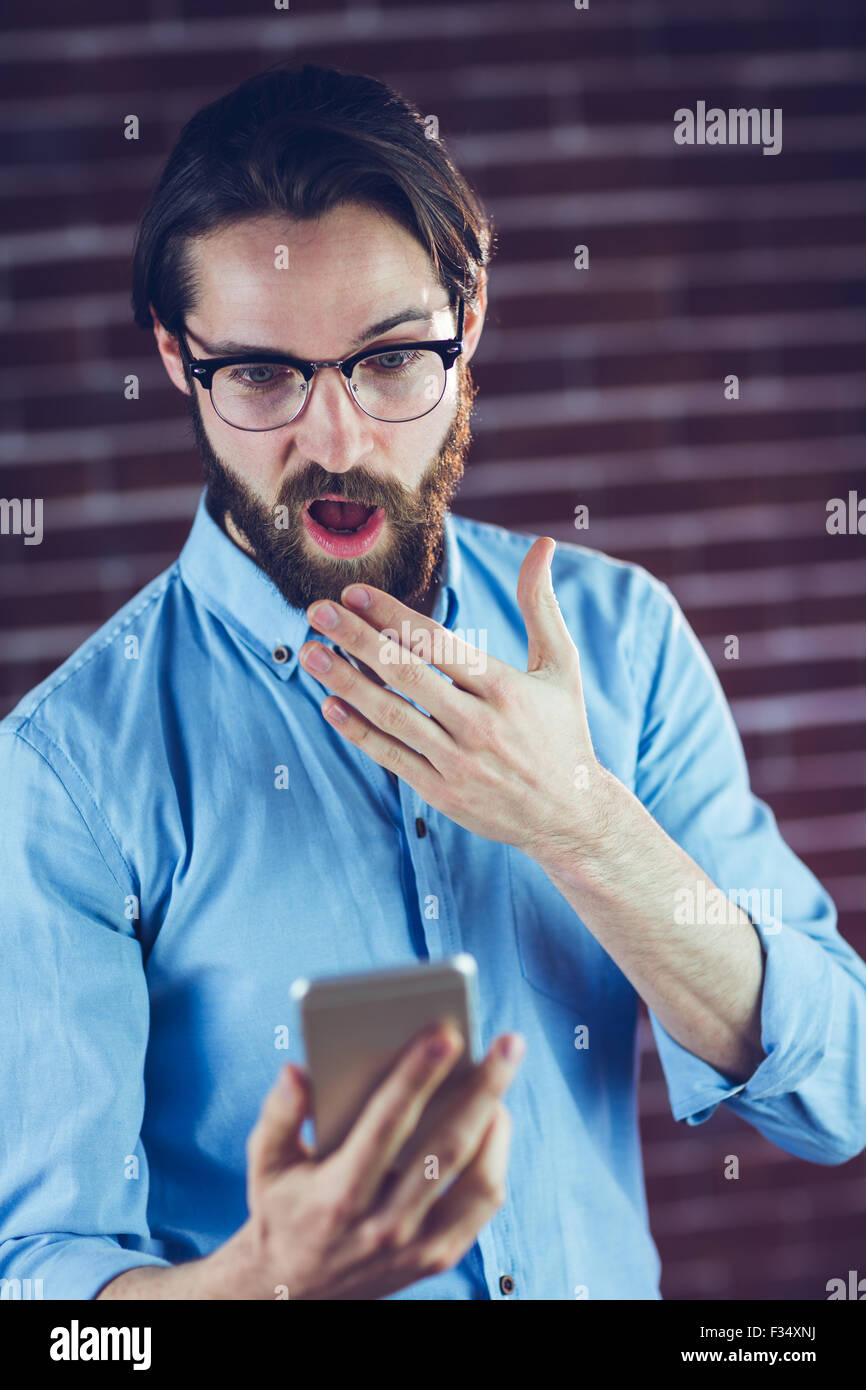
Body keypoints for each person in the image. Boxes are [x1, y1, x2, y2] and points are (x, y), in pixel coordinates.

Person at [1, 61, 864, 1303]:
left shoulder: (619, 638)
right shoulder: (67, 774)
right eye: (259, 376)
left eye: (392, 358)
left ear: (471, 320)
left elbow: (831, 1098)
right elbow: (49, 1304)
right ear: (176, 359)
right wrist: (265, 1281)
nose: (335, 441)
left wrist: (583, 822)